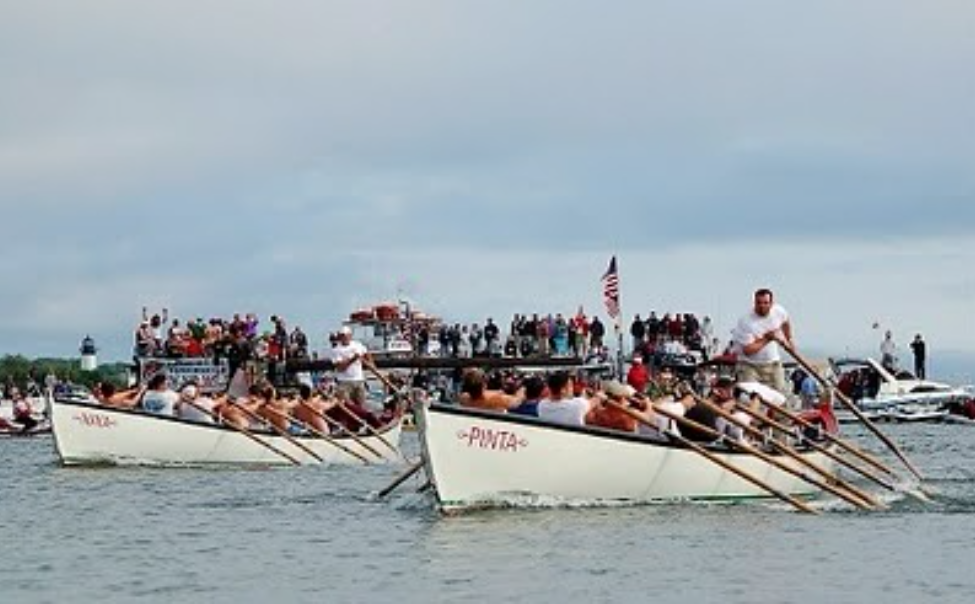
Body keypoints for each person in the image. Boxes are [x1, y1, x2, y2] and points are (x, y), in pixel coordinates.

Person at [731, 288, 793, 397]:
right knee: (750, 398)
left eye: (765, 303)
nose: (762, 306)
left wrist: (789, 340)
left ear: (771, 303)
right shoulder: (746, 321)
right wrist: (767, 338)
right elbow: (748, 350)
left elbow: (786, 322)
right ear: (754, 303)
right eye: (759, 303)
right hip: (749, 366)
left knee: (781, 397)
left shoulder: (778, 311)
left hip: (772, 363)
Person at [330, 325, 371, 407]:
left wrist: (370, 363)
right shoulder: (336, 350)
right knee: (348, 407)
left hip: (359, 380)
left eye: (345, 335)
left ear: (350, 336)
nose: (343, 338)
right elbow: (340, 368)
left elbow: (366, 353)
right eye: (342, 336)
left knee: (361, 407)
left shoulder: (358, 345)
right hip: (344, 382)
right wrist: (354, 358)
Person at [458, 369, 524, 412]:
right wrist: (522, 389)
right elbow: (516, 402)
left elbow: (476, 394)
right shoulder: (496, 399)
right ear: (484, 385)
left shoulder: (463, 398)